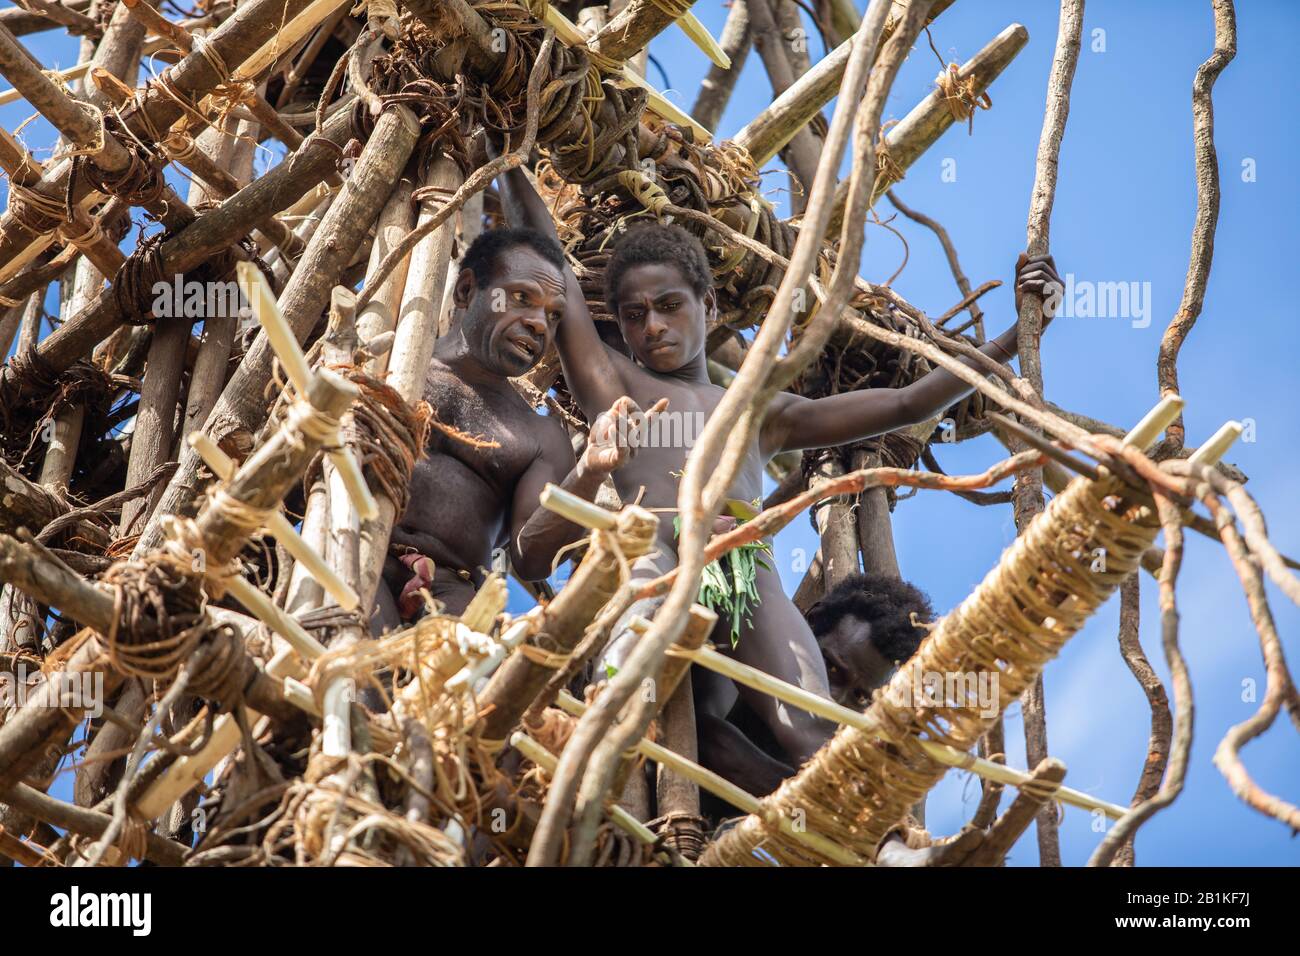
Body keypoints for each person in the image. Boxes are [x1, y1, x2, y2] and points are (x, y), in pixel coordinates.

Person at [495, 156, 1062, 771]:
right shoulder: (610, 381)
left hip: (741, 565)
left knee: (811, 726)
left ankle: (881, 841)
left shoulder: (765, 410)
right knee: (638, 630)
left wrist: (1019, 329)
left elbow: (909, 400)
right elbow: (557, 273)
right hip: (650, 548)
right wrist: (513, 160)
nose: (652, 326)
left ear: (707, 305)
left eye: (669, 306)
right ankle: (609, 710)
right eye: (634, 316)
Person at [371, 227, 644, 631]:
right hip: (351, 544)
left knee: (461, 679)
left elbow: (532, 560)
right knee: (353, 642)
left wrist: (590, 472)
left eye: (553, 315)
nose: (539, 324)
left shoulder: (539, 436)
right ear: (466, 291)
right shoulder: (383, 361)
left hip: (450, 595)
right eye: (521, 298)